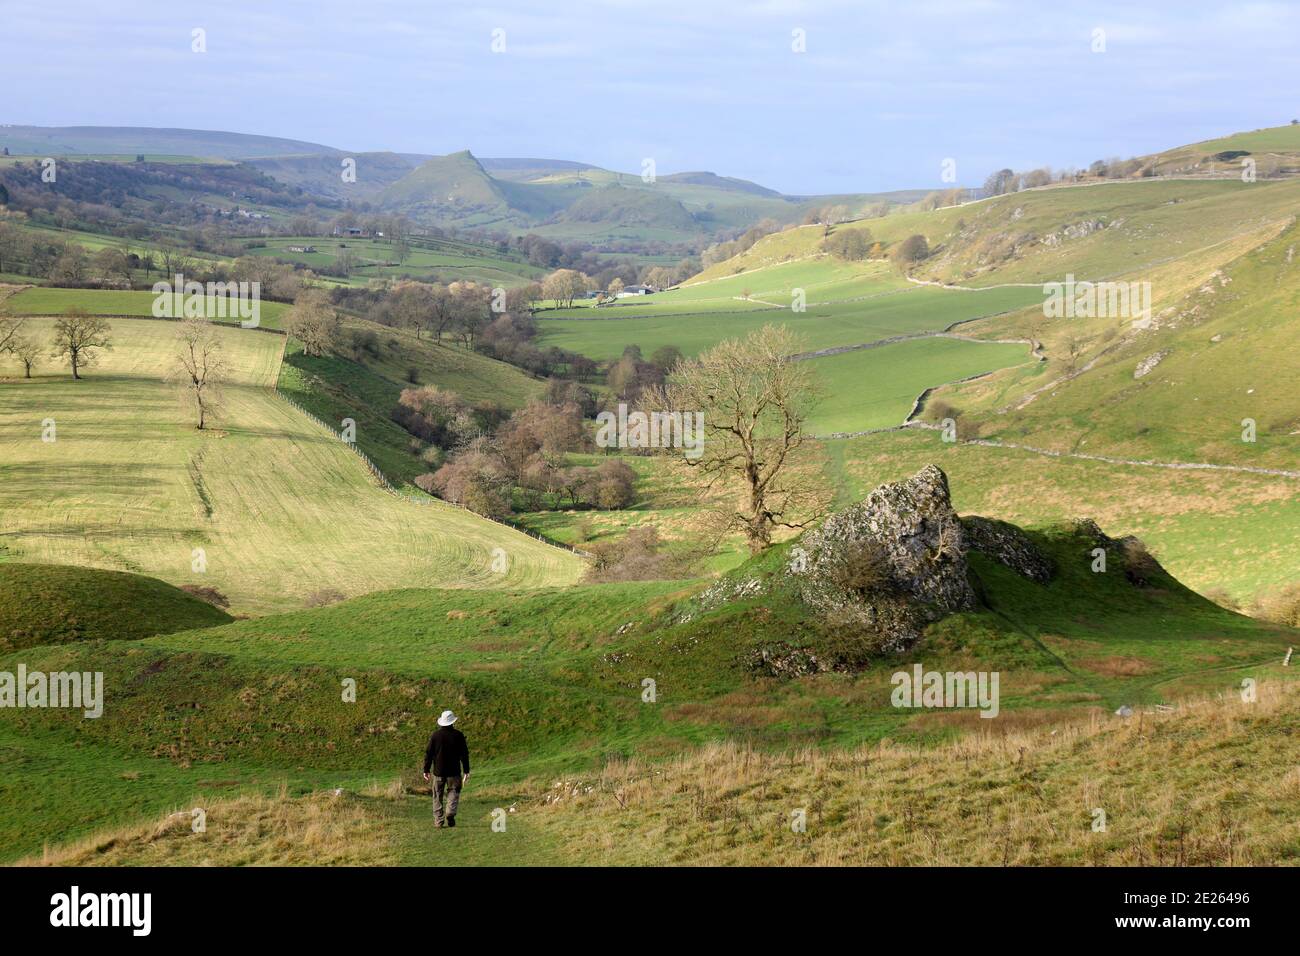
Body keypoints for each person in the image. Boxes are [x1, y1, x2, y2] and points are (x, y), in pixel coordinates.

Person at [422, 710, 471, 828]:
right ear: (452, 722)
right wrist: (466, 770)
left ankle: (438, 821)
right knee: (454, 792)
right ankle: (450, 813)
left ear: (441, 722)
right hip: (454, 772)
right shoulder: (458, 735)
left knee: (437, 795)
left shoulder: (435, 736)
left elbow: (428, 754)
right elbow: (464, 754)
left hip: (438, 772)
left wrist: (426, 770)